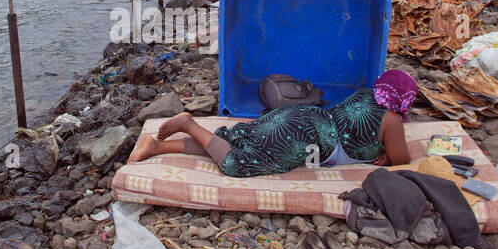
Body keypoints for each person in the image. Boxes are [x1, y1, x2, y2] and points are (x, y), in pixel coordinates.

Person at [127, 70, 418, 176]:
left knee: (235, 139)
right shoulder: (391, 121)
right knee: (236, 164)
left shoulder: (367, 95)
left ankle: (155, 147)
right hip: (308, 141)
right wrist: (382, 157)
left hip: (302, 116)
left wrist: (378, 152)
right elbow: (402, 160)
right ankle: (189, 124)